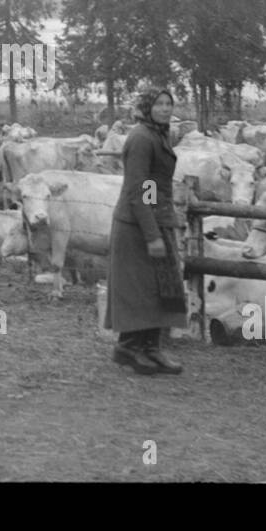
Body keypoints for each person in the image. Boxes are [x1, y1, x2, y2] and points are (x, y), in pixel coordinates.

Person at [103, 89, 188, 375]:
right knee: (141, 288)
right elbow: (141, 190)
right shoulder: (141, 138)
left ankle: (151, 347)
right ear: (146, 107)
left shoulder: (157, 134)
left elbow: (151, 186)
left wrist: (159, 220)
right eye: (158, 104)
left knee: (162, 285)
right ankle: (129, 347)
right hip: (136, 225)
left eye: (168, 103)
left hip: (153, 218)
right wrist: (152, 233)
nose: (164, 109)